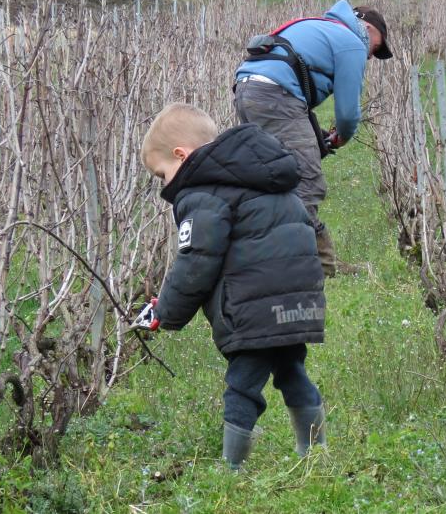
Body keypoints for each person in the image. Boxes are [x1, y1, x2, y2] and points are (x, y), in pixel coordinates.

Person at [138, 103, 327, 469]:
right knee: (291, 370)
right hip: (298, 299)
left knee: (242, 385)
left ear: (182, 155)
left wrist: (165, 312)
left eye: (162, 174)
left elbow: (196, 261)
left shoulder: (203, 193)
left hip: (252, 306)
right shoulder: (262, 175)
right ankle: (316, 455)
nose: (165, 185)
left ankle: (231, 469)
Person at [233, 0, 392, 276]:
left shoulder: (317, 25)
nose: (371, 56)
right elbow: (347, 112)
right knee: (306, 179)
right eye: (377, 47)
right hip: (275, 95)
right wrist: (342, 135)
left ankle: (265, 256)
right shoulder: (352, 42)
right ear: (367, 28)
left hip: (246, 90)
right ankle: (309, 266)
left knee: (271, 175)